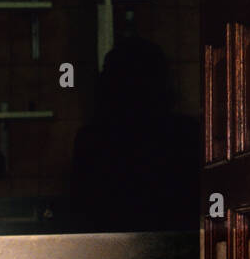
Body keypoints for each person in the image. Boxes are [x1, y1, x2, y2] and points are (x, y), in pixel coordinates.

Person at [71, 33, 199, 231]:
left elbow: (85, 211)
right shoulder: (186, 133)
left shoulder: (92, 140)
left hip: (114, 251)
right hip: (177, 248)